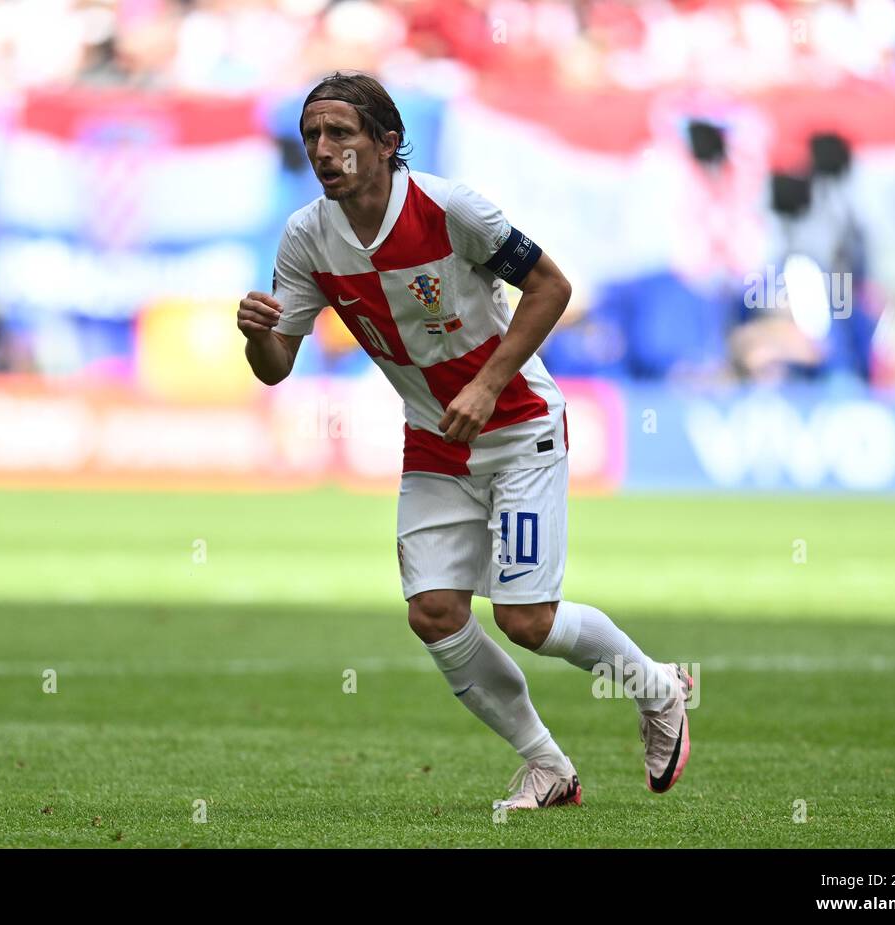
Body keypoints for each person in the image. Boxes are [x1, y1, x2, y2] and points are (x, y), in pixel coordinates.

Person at [237, 72, 692, 810]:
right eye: (313, 136)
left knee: (526, 621)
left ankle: (659, 688)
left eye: (341, 134)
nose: (324, 150)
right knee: (435, 613)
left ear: (387, 143)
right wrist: (259, 339)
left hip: (516, 427)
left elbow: (550, 286)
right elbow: (275, 369)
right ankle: (548, 767)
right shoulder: (306, 237)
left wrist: (485, 383)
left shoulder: (451, 209)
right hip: (435, 441)